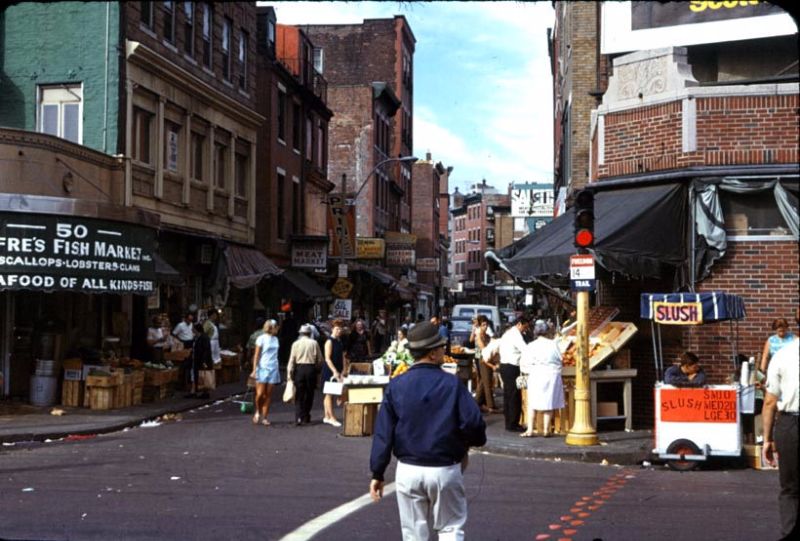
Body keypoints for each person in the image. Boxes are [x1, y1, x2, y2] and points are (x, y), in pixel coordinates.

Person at [369, 321, 487, 540]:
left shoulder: (397, 385)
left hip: (408, 469)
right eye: (442, 347)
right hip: (445, 466)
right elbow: (474, 424)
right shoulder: (452, 384)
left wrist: (378, 471)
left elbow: (384, 433)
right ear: (433, 353)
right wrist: (469, 443)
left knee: (414, 533)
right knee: (451, 528)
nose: (444, 351)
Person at [762, 309, 799, 540]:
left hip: (791, 424)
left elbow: (770, 401)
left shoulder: (783, 355)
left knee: (790, 487)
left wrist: (767, 439)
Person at [520, 320, 565, 438]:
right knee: (548, 402)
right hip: (551, 375)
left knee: (533, 402)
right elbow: (560, 359)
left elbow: (524, 363)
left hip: (536, 374)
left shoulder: (531, 346)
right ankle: (546, 430)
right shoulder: (553, 344)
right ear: (546, 332)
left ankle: (530, 430)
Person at [499, 313, 532, 432]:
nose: (525, 330)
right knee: (514, 396)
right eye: (525, 327)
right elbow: (525, 349)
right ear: (519, 324)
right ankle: (513, 423)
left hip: (504, 366)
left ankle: (509, 422)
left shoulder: (508, 333)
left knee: (508, 395)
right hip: (512, 367)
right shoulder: (515, 335)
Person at [287, 324, 325, 425]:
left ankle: (298, 417)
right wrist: (318, 369)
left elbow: (291, 360)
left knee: (299, 394)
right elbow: (320, 359)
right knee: (309, 393)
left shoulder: (295, 344)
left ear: (300, 333)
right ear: (309, 333)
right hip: (310, 369)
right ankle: (306, 415)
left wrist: (289, 374)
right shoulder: (314, 343)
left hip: (299, 369)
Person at [250, 319, 280, 427]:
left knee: (268, 395)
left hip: (273, 368)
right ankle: (258, 411)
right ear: (270, 327)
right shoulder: (261, 338)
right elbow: (256, 355)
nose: (277, 328)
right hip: (262, 368)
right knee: (260, 394)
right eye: (276, 326)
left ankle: (265, 417)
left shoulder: (276, 339)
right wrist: (254, 370)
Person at [322, 319, 348, 427]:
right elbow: (327, 358)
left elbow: (342, 356)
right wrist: (335, 371)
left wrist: (344, 369)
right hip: (330, 370)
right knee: (329, 394)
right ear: (332, 329)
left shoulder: (339, 341)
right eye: (337, 328)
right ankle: (331, 417)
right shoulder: (329, 341)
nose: (339, 331)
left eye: (340, 329)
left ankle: (327, 416)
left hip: (338, 370)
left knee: (332, 393)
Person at [472, 315, 499, 414]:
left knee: (484, 382)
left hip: (488, 359)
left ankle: (476, 403)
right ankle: (490, 405)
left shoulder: (487, 335)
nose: (485, 327)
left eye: (486, 324)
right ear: (479, 326)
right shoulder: (478, 336)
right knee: (486, 382)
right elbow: (484, 350)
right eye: (483, 325)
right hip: (482, 360)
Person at [185, 323, 213, 398]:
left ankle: (204, 392)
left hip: (202, 360)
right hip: (195, 359)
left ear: (197, 329)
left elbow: (206, 350)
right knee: (195, 375)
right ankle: (194, 391)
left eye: (193, 328)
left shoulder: (204, 337)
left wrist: (204, 361)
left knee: (203, 376)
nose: (191, 329)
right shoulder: (196, 337)